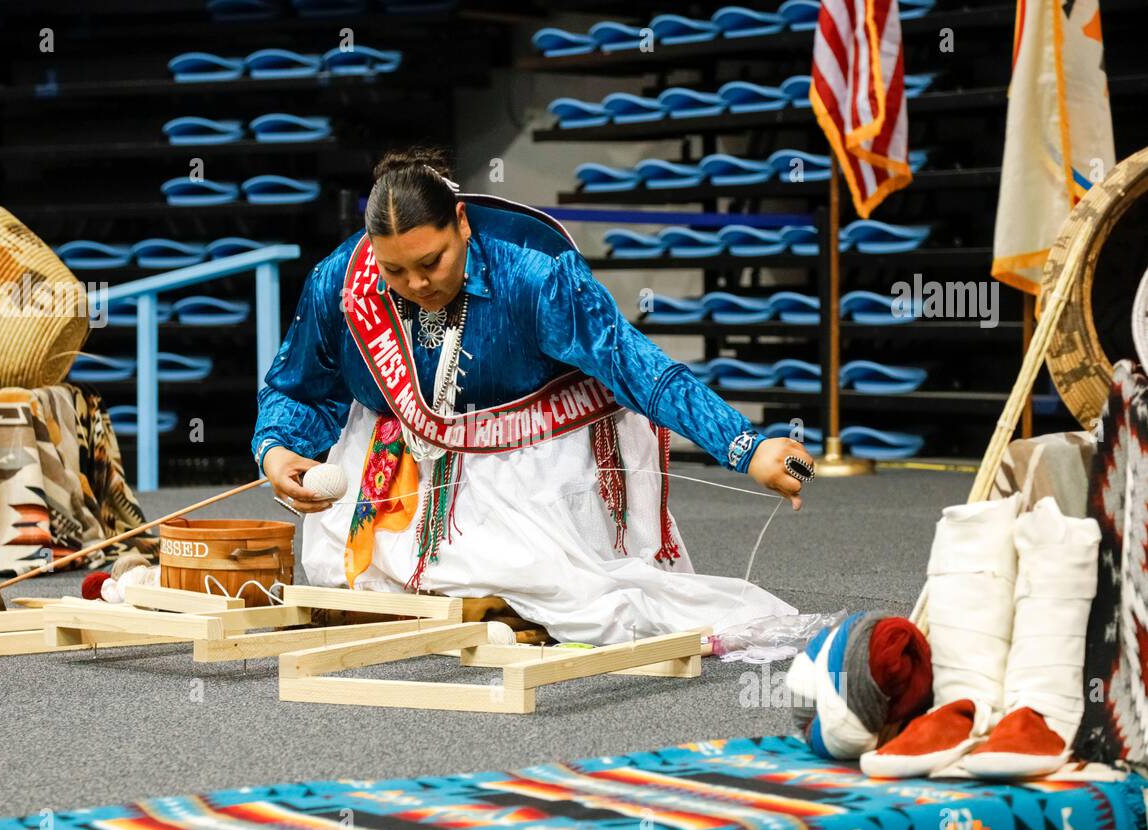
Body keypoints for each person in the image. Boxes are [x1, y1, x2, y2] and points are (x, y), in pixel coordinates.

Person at [252, 146, 811, 645]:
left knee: (576, 602)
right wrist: (276, 450)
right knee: (340, 578)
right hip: (403, 466)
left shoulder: (536, 274)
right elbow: (296, 385)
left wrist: (746, 446)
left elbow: (638, 367)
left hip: (538, 457)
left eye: (431, 263)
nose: (417, 285)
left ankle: (503, 591)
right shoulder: (342, 282)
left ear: (462, 224)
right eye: (395, 270)